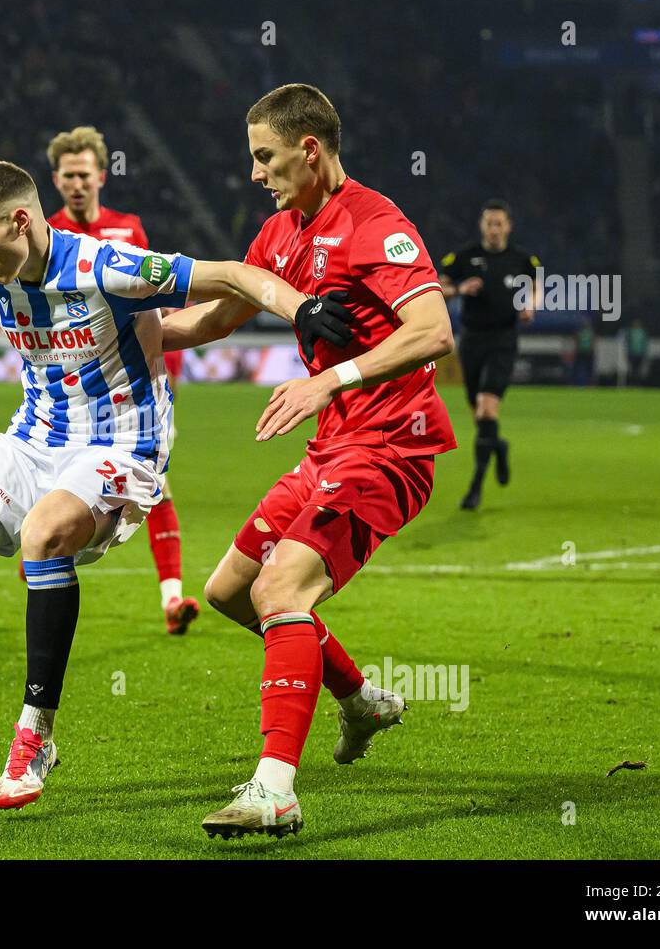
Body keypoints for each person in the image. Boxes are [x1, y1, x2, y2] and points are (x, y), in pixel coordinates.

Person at [0, 160, 345, 811]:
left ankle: (36, 735)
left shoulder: (107, 267)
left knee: (44, 534)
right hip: (33, 439)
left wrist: (300, 307)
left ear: (19, 222)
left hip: (122, 442)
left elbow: (229, 275)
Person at [161, 83, 457, 839]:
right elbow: (217, 318)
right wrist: (134, 332)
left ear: (309, 148)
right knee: (230, 590)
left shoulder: (375, 224)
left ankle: (275, 790)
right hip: (333, 446)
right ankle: (359, 701)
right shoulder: (279, 234)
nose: (256, 173)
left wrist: (331, 378)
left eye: (265, 157)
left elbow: (432, 331)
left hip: (391, 446)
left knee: (282, 588)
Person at [45, 124, 198, 634]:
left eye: (84, 174)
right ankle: (46, 574)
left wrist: (161, 368)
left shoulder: (128, 229)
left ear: (101, 176)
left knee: (154, 489)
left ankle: (172, 600)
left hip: (129, 390)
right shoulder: (46, 235)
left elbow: (150, 302)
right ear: (56, 179)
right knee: (58, 489)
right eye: (68, 175)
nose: (76, 183)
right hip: (72, 393)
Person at [438, 199, 540, 510]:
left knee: (485, 408)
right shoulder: (465, 257)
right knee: (480, 417)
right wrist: (458, 290)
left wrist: (531, 305)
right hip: (471, 340)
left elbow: (536, 285)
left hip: (504, 340)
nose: (494, 229)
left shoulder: (522, 259)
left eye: (499, 224)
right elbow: (437, 285)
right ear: (482, 226)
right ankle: (498, 446)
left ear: (508, 226)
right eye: (489, 224)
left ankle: (475, 488)